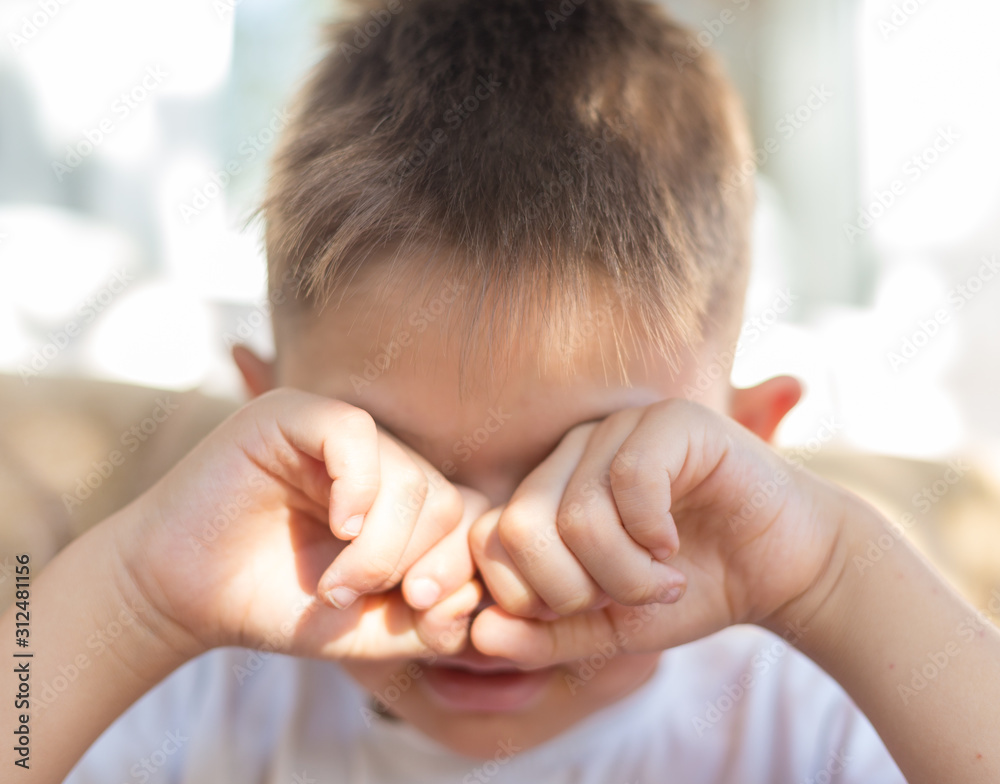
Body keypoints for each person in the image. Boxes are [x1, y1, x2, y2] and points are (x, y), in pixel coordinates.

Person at [6, 0, 997, 781]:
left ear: (748, 443)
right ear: (263, 419)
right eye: (386, 467)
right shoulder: (204, 690)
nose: (485, 569)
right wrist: (136, 595)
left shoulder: (809, 712)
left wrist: (828, 570)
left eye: (587, 469)